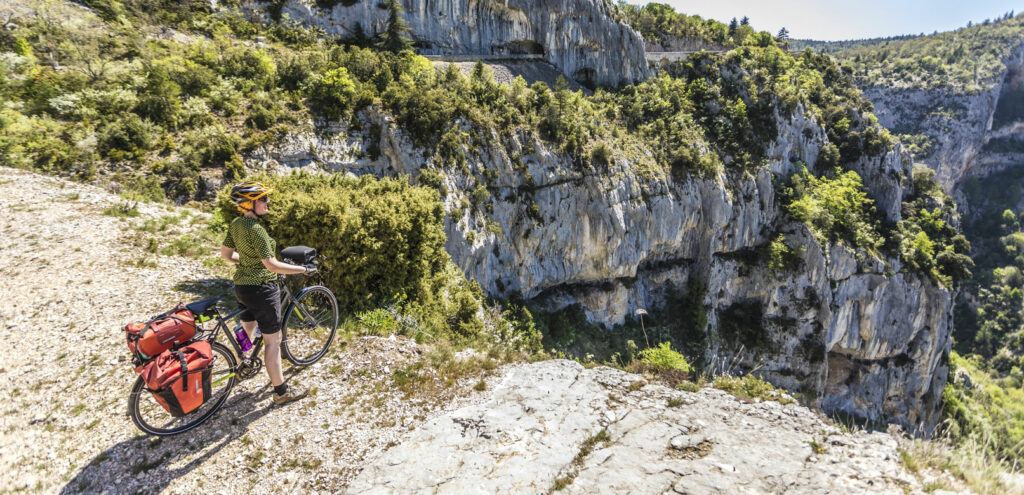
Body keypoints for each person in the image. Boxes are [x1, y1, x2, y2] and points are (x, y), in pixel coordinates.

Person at [220, 181, 312, 406]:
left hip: (242, 288)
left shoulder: (236, 224)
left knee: (247, 328)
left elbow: (226, 255)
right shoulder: (257, 230)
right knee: (274, 340)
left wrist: (250, 263)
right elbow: (271, 265)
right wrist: (302, 269)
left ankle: (244, 363)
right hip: (262, 289)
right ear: (249, 203)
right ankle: (281, 392)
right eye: (262, 199)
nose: (267, 202)